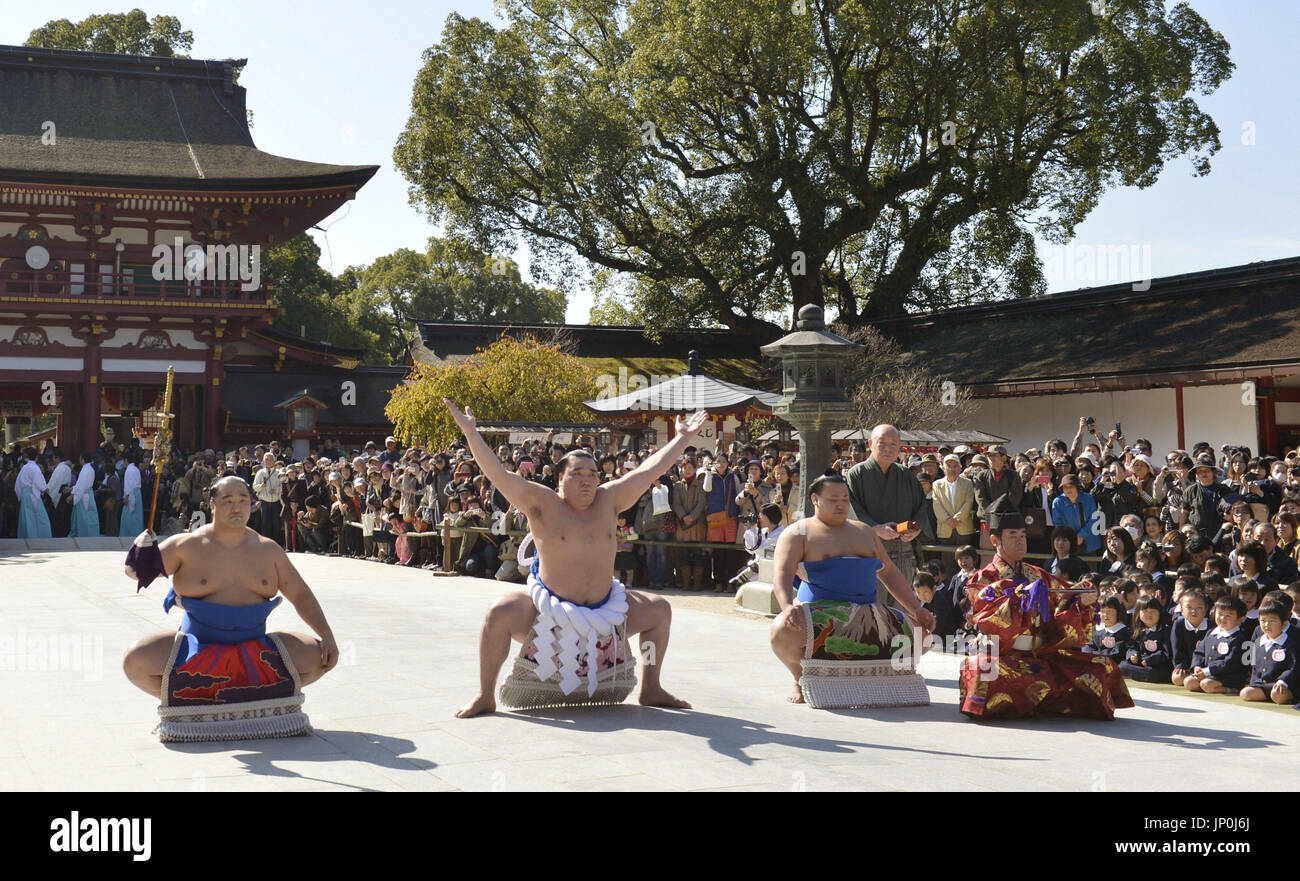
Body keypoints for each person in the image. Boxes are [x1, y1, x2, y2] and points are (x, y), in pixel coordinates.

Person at [446, 400, 706, 718]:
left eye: (593, 474)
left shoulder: (610, 499)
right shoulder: (541, 503)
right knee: (499, 612)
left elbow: (649, 470)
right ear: (560, 480)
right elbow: (498, 475)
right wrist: (472, 433)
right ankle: (486, 695)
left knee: (659, 610)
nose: (587, 480)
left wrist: (682, 438)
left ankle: (651, 686)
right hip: (547, 612)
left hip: (606, 611)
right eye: (578, 474)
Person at [121, 476, 338, 738]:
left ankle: (233, 697)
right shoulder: (185, 545)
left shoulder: (269, 550)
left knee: (319, 657)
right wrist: (141, 550)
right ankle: (194, 697)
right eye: (227, 501)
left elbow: (300, 594)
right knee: (135, 660)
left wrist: (326, 634)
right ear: (212, 505)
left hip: (258, 648)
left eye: (243, 500)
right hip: (196, 646)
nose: (236, 507)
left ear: (252, 504)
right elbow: (135, 572)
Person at [958, 495, 1133, 720]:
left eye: (1023, 535)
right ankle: (1043, 700)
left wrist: (1080, 601)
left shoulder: (1038, 575)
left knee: (1102, 667)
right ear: (995, 540)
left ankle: (1039, 700)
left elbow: (1061, 608)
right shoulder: (983, 578)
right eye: (1013, 536)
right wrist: (1019, 599)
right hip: (1006, 656)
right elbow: (989, 620)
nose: (1021, 541)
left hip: (1042, 655)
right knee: (983, 669)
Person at [768, 474, 935, 706]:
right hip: (817, 612)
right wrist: (787, 606)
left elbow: (889, 573)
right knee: (780, 631)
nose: (841, 504)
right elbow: (783, 574)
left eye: (845, 499)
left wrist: (917, 608)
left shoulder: (865, 531)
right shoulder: (797, 533)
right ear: (815, 499)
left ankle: (869, 676)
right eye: (833, 499)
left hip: (868, 611)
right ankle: (799, 677)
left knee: (924, 637)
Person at [844, 424, 929, 586]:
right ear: (870, 444)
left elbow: (921, 508)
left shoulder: (906, 475)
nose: (887, 449)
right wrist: (876, 529)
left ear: (899, 446)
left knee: (901, 605)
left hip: (903, 549)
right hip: (870, 549)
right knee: (873, 604)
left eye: (893, 444)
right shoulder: (857, 474)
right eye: (881, 443)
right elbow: (852, 509)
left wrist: (916, 529)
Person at [1183, 595, 1250, 694]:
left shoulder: (1238, 638)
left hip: (1228, 676)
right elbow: (1199, 652)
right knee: (1188, 682)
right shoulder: (1211, 632)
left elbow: (1229, 663)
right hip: (1207, 673)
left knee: (1207, 684)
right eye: (1220, 613)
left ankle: (1233, 690)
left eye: (1228, 615)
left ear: (1240, 619)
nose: (1222, 618)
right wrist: (1197, 667)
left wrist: (1207, 671)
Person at [1241, 592, 1298, 704]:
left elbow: (1295, 667)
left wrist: (1283, 681)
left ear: (1284, 621)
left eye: (1272, 620)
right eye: (1263, 620)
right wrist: (1253, 681)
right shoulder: (1259, 638)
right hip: (1261, 684)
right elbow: (1252, 662)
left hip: (1284, 683)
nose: (1267, 625)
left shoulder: (1293, 640)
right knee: (1246, 693)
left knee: (1278, 694)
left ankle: (1289, 696)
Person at [1120, 596, 1173, 683]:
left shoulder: (1166, 630)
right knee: (1123, 666)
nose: (1149, 614)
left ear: (1159, 613)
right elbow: (1131, 646)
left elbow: (1166, 653)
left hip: (1157, 666)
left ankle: (1145, 675)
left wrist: (1150, 660)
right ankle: (1142, 675)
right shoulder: (1137, 630)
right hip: (1140, 663)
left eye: (1153, 611)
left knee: (1157, 673)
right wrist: (1132, 655)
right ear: (1138, 613)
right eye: (1145, 611)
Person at [932, 453, 977, 547]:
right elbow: (937, 505)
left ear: (960, 468)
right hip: (945, 529)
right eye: (949, 466)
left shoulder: (968, 483)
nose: (952, 469)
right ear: (943, 468)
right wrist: (947, 519)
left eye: (955, 466)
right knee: (947, 559)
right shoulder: (936, 484)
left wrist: (957, 518)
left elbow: (969, 502)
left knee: (965, 557)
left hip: (964, 528)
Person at [1170, 591, 1211, 687]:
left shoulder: (1211, 626)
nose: (1194, 611)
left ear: (1205, 610)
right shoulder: (1178, 624)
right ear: (1182, 611)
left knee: (1192, 682)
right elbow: (1176, 647)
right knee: (1177, 678)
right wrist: (1180, 665)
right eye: (1189, 607)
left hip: (1203, 667)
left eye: (1199, 608)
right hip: (1186, 664)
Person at [16, 447, 52, 539]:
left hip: (25, 494)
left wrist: (20, 496)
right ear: (36, 457)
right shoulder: (35, 468)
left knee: (27, 518)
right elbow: (38, 483)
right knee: (40, 517)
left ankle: (28, 537)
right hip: (32, 493)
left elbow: (18, 484)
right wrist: (45, 489)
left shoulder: (24, 467)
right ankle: (41, 536)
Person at [252, 452, 284, 546]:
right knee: (265, 524)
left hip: (276, 501)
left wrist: (277, 490)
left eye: (270, 459)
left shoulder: (279, 472)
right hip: (265, 502)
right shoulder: (260, 473)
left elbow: (283, 486)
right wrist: (261, 486)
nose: (268, 461)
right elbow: (254, 487)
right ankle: (265, 545)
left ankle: (277, 544)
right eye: (266, 459)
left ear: (274, 461)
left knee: (277, 524)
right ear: (263, 461)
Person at [68, 451, 100, 538]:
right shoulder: (90, 469)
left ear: (82, 459)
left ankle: (84, 535)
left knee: (84, 517)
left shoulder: (85, 469)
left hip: (84, 494)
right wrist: (72, 489)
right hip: (87, 493)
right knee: (89, 516)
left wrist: (72, 495)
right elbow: (80, 484)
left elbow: (81, 485)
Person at [118, 452, 143, 538]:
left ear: (126, 460)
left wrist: (127, 497)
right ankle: (137, 534)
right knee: (137, 516)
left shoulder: (129, 470)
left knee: (128, 517)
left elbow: (129, 485)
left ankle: (128, 535)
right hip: (137, 493)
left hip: (131, 493)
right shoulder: (136, 469)